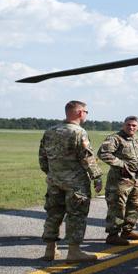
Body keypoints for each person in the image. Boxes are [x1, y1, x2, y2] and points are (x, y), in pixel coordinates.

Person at [38, 100, 103, 262]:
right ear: (80, 113)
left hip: (54, 181)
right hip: (76, 184)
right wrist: (97, 177)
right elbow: (87, 158)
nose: (86, 115)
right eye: (86, 112)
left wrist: (53, 173)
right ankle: (74, 252)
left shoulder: (50, 131)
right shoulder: (79, 132)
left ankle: (50, 250)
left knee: (53, 214)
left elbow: (42, 158)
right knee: (76, 215)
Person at [98, 116, 138, 246]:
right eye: (128, 125)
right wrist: (122, 165)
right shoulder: (115, 138)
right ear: (123, 125)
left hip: (135, 179)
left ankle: (127, 231)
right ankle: (113, 235)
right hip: (119, 180)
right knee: (117, 207)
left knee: (133, 206)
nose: (131, 127)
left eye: (134, 126)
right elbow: (103, 153)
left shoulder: (136, 139)